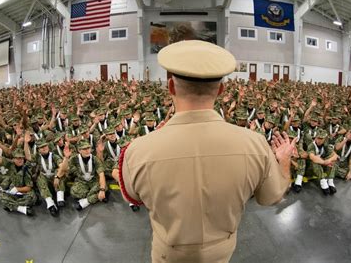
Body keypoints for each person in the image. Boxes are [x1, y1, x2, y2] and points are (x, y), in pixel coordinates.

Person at [119, 40, 294, 263]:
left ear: (170, 86)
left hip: (167, 255)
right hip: (221, 254)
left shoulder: (138, 151)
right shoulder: (255, 145)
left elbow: (132, 197)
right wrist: (283, 162)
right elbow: (271, 197)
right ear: (220, 90)